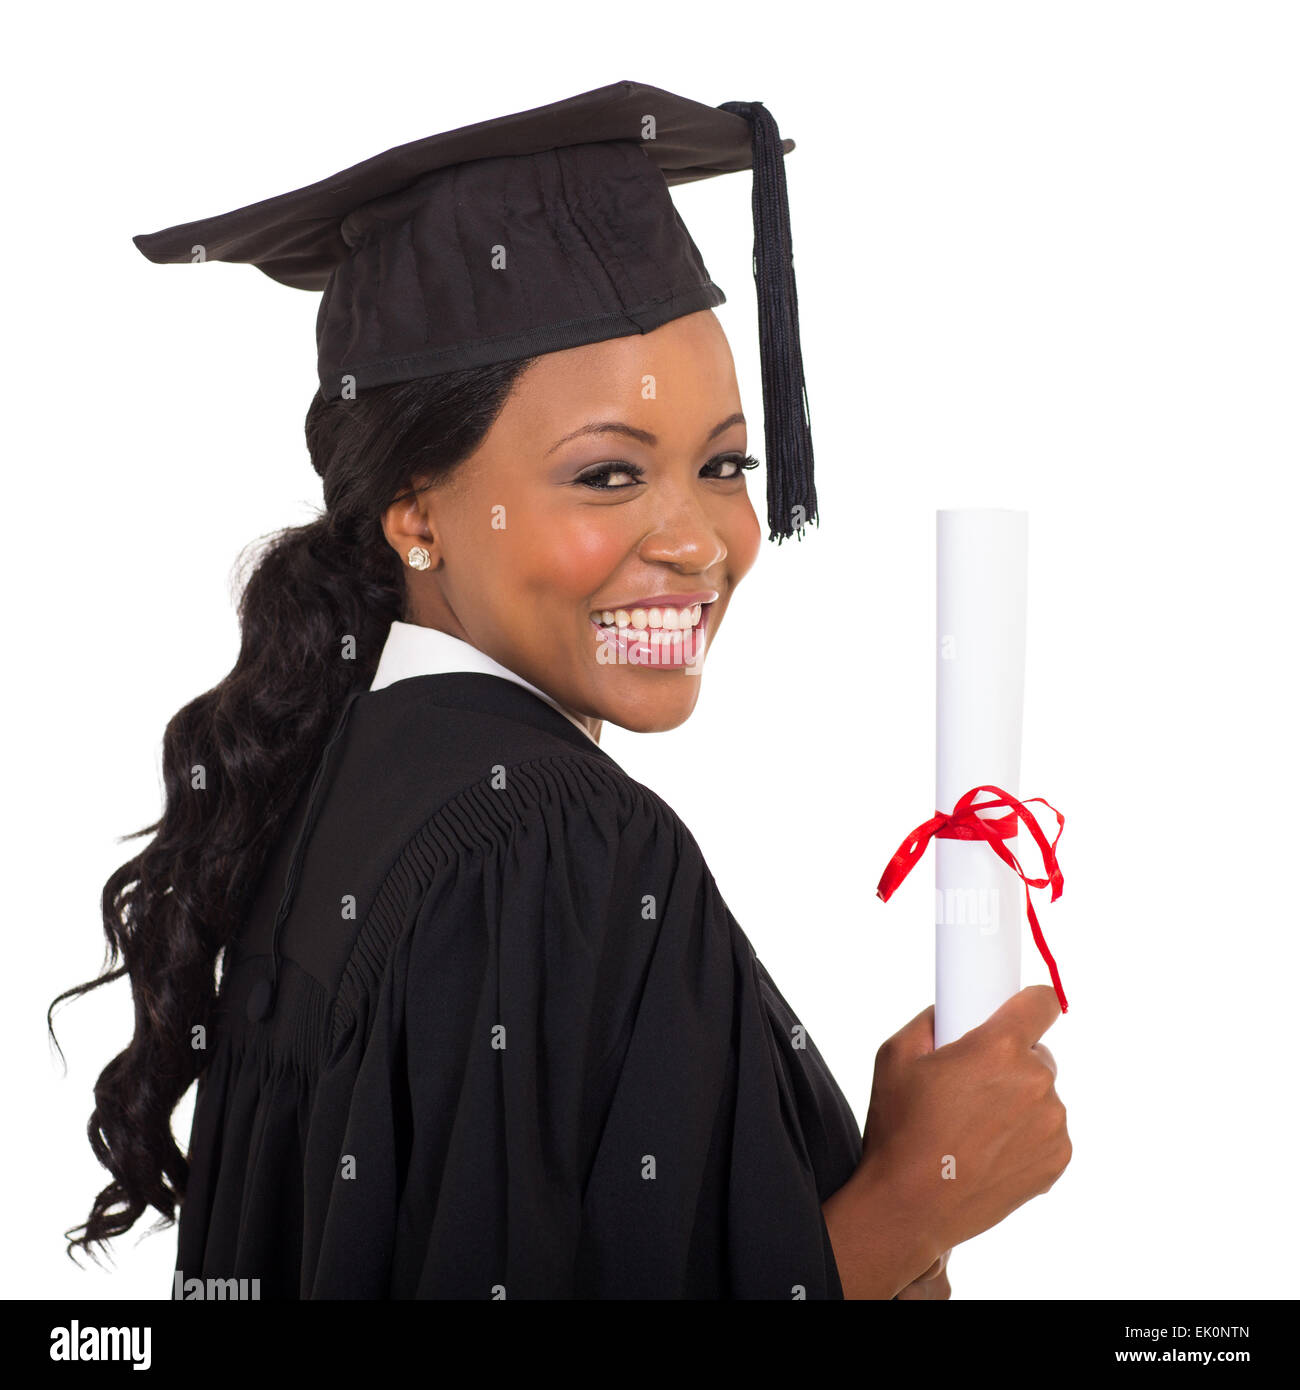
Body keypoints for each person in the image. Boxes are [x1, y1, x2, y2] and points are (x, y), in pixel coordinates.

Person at [51, 80, 1070, 1299]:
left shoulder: (339, 780)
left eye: (723, 463)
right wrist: (916, 1197)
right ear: (416, 512)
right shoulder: (552, 840)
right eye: (605, 475)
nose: (699, 542)